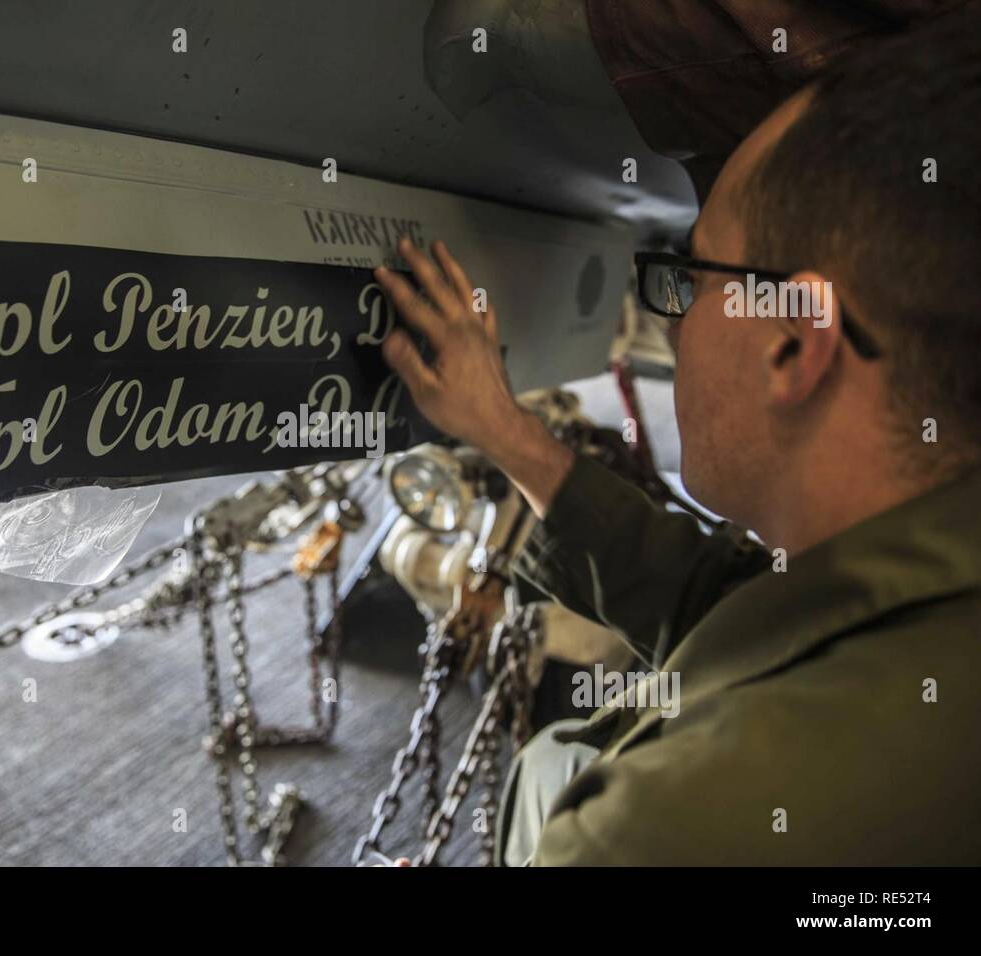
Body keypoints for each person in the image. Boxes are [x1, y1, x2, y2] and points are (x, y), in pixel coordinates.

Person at [373, 6, 981, 864]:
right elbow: (729, 608)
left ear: (791, 343)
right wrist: (505, 432)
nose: (675, 325)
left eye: (691, 278)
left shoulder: (664, 831)